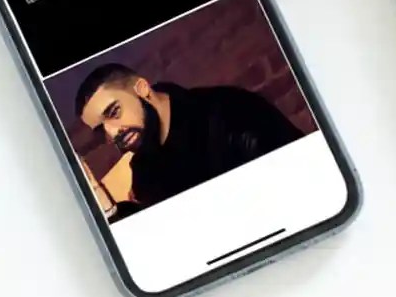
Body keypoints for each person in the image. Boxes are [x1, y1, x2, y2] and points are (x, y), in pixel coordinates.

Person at [74, 63, 303, 213]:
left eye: (114, 112)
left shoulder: (232, 112)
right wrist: (107, 207)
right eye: (101, 130)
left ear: (142, 89)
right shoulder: (143, 171)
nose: (112, 133)